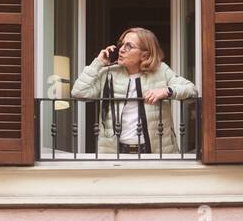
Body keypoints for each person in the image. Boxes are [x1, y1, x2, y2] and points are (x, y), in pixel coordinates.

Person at [70, 26, 197, 156]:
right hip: (115, 151)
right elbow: (78, 92)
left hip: (155, 151)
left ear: (145, 54)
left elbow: (191, 90)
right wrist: (97, 63)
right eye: (121, 44)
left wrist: (167, 91)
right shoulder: (108, 74)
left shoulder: (161, 71)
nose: (122, 49)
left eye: (129, 46)